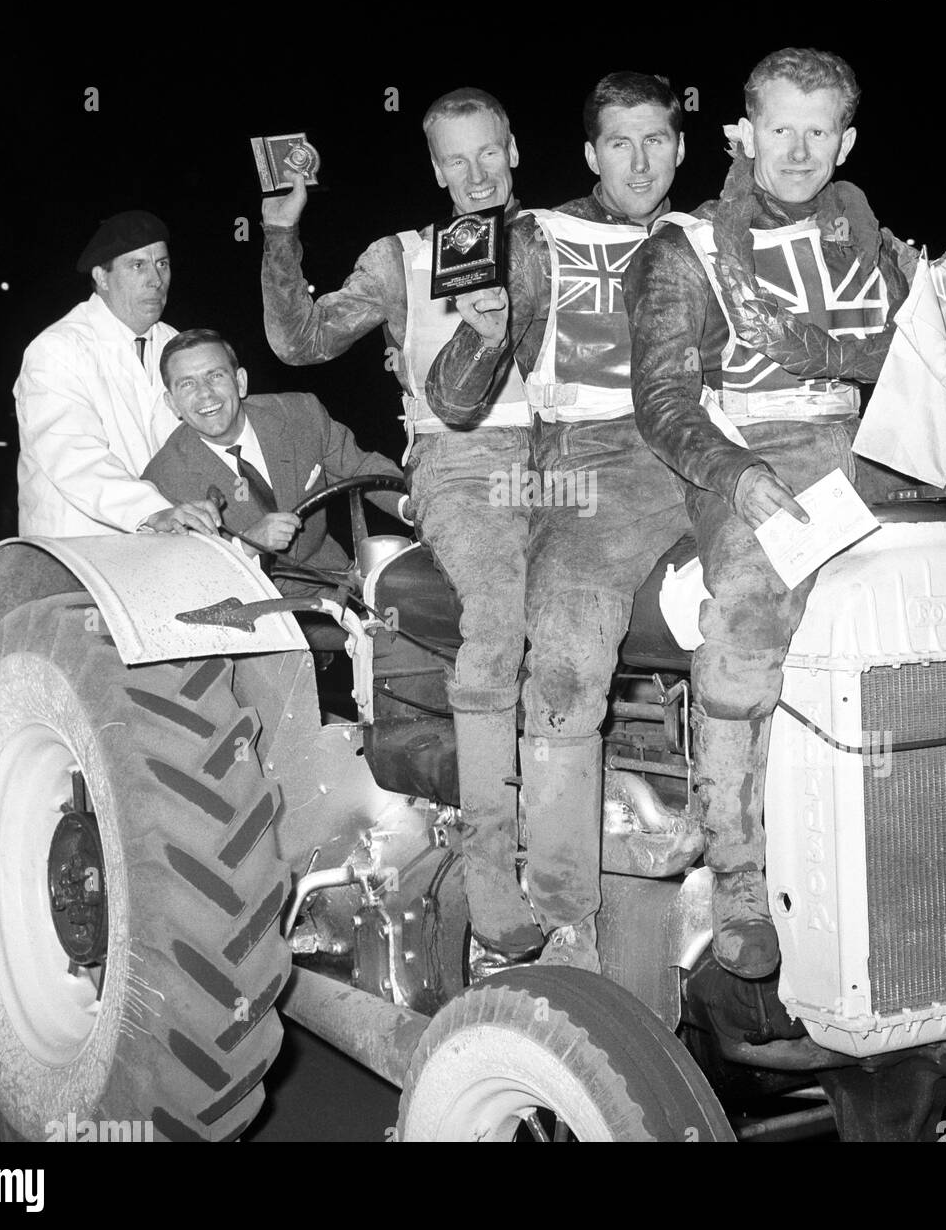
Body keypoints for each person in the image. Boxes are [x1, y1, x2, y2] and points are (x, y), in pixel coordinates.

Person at [625, 49, 946, 979]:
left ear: (847, 139)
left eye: (819, 129)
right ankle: (740, 874)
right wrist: (734, 474)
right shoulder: (686, 249)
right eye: (779, 127)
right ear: (742, 133)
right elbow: (663, 400)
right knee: (747, 621)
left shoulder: (873, 243)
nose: (798, 149)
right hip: (758, 460)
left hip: (878, 459)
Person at [261, 89, 545, 968]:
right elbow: (299, 340)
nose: (475, 175)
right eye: (454, 160)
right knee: (500, 612)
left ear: (515, 149)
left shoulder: (563, 239)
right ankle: (494, 863)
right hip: (462, 458)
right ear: (433, 170)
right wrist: (280, 234)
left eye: (488, 152)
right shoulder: (401, 258)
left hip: (576, 457)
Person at [425, 72, 697, 971]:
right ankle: (556, 910)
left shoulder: (711, 238)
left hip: (712, 454)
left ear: (682, 147)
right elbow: (455, 400)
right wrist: (485, 327)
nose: (641, 161)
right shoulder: (537, 241)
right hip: (596, 465)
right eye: (619, 143)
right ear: (589, 154)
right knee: (566, 642)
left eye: (657, 140)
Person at [142, 329, 409, 597]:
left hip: (338, 585)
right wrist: (246, 544)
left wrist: (411, 506)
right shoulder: (162, 479)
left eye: (215, 375)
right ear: (172, 404)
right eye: (187, 384)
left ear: (241, 381)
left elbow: (360, 467)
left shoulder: (300, 414)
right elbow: (187, 574)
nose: (205, 394)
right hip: (250, 607)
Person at [14, 210, 220, 538]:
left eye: (162, 264)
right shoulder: (56, 350)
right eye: (137, 265)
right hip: (78, 551)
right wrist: (151, 510)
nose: (155, 279)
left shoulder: (174, 344)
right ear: (102, 276)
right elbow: (73, 456)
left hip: (162, 547)